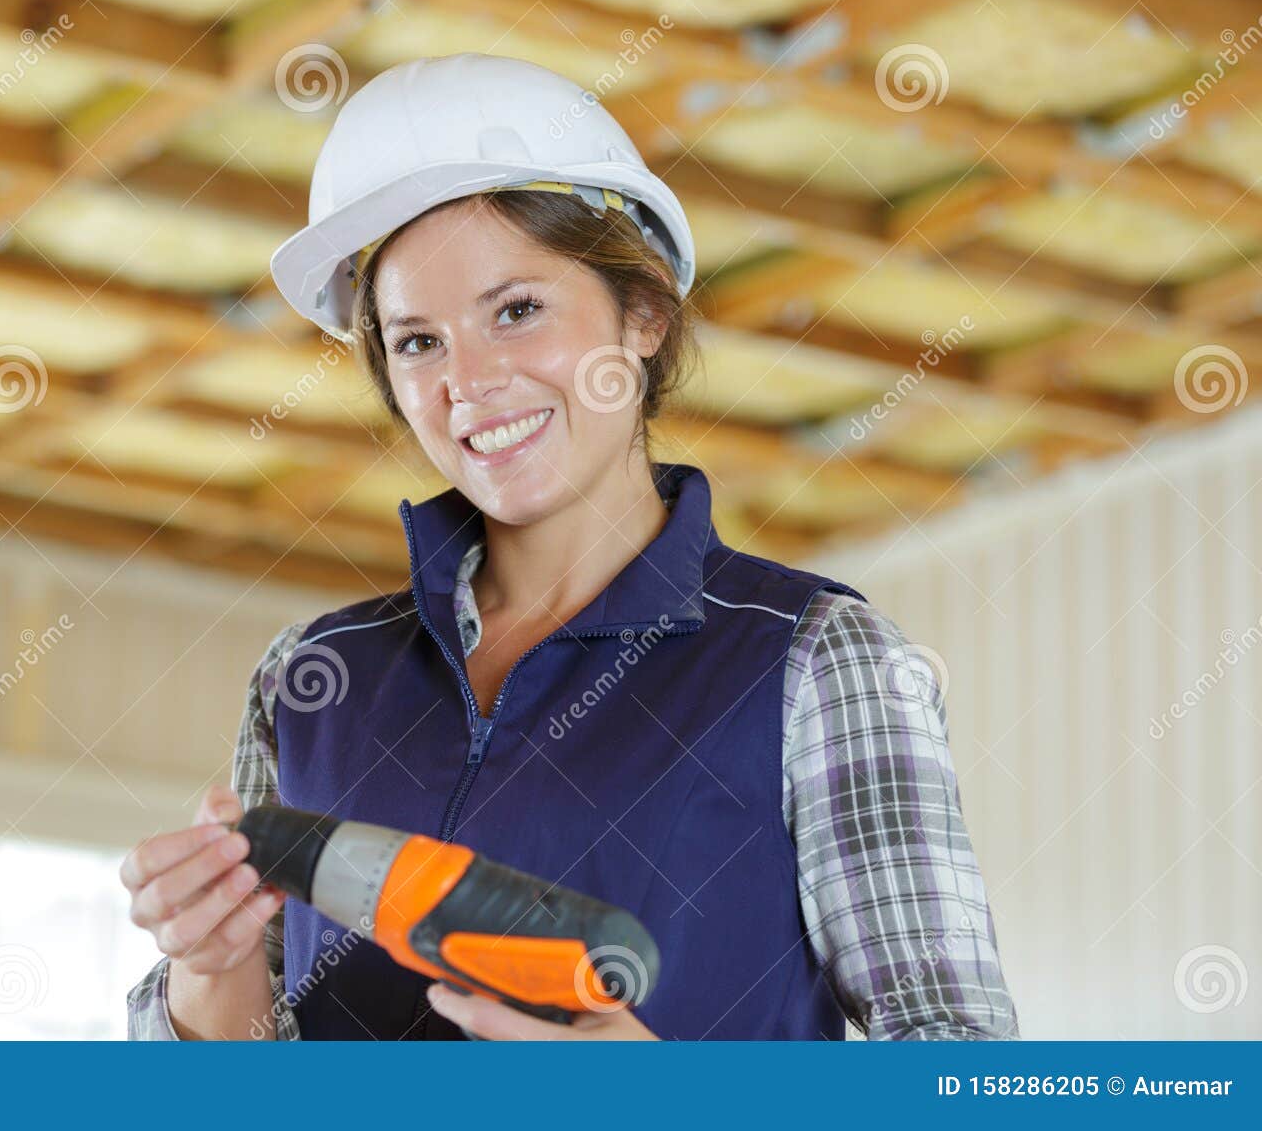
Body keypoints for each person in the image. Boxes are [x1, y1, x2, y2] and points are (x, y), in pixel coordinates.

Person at [120, 53, 1017, 1041]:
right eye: (417, 340)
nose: (471, 378)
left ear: (642, 314)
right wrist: (213, 969)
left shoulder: (813, 659)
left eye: (516, 310)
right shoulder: (312, 678)